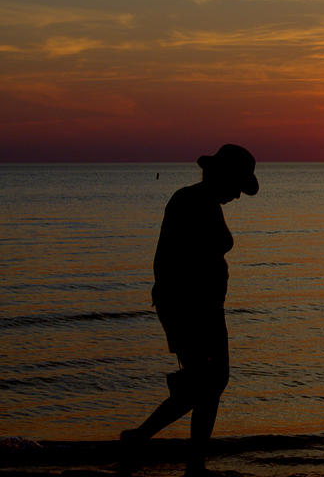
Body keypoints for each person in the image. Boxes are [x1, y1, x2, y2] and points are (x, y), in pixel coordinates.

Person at [120, 144, 258, 476]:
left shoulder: (200, 201)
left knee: (208, 384)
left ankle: (155, 445)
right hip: (191, 308)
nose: (237, 196)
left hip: (199, 306)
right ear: (223, 176)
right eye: (237, 186)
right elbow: (178, 260)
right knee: (208, 383)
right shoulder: (194, 202)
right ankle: (165, 450)